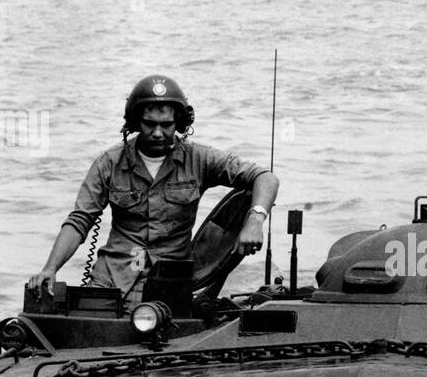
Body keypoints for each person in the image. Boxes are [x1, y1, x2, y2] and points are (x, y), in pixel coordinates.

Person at [27, 75, 279, 304]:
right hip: (112, 278)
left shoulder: (199, 159)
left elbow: (265, 177)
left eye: (166, 124)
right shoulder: (110, 163)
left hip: (170, 282)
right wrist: (51, 268)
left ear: (179, 123)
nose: (158, 133)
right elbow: (80, 220)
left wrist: (255, 219)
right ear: (135, 122)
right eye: (149, 124)